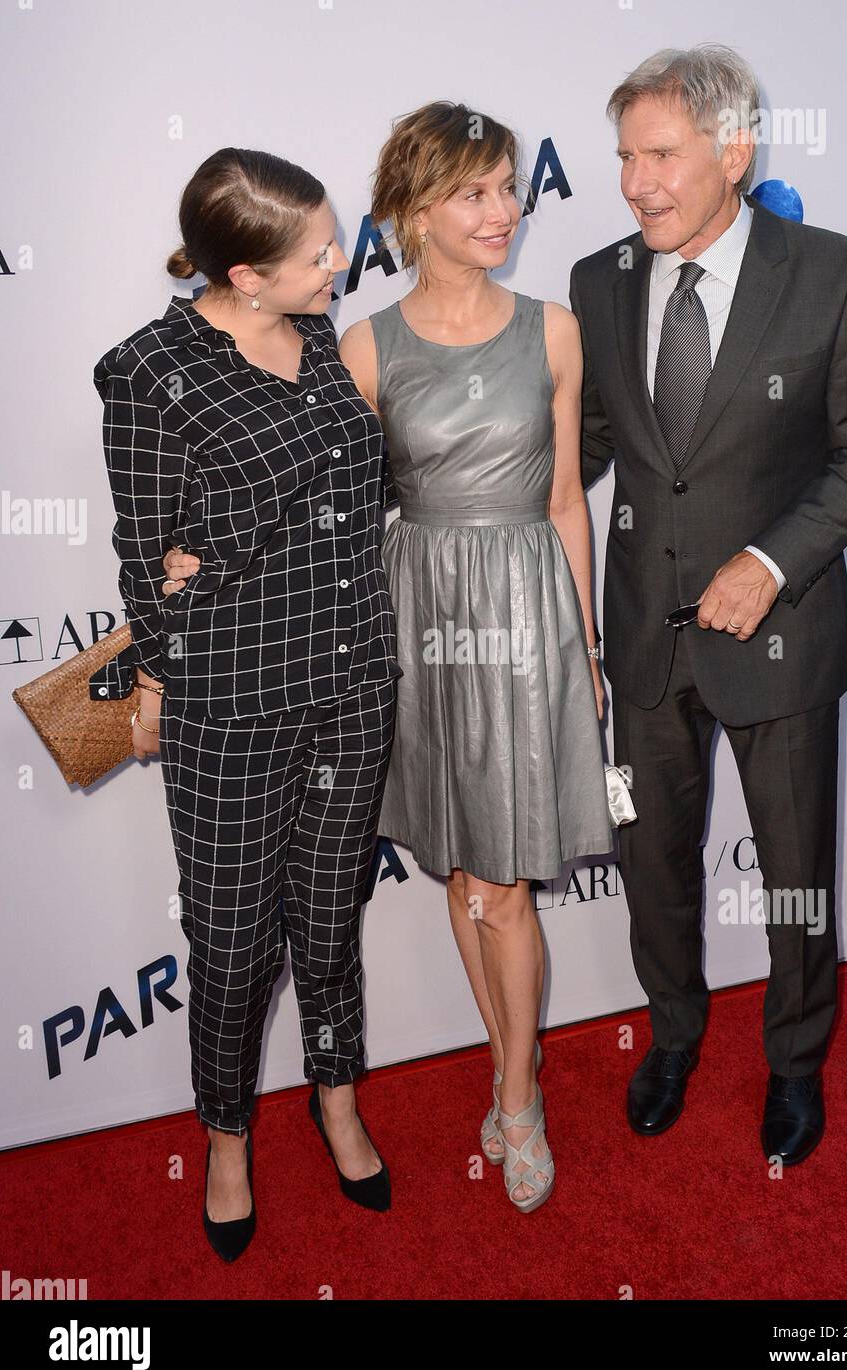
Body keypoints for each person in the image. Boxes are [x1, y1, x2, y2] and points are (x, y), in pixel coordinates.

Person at [167, 104, 615, 1213]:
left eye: (510, 184)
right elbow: (323, 508)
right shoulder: (358, 346)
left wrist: (585, 645)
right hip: (406, 624)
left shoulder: (554, 328)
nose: (504, 209)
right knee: (464, 881)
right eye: (475, 191)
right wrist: (186, 573)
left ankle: (518, 1095)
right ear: (416, 213)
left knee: (506, 889)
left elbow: (565, 500)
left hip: (521, 620)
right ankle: (495, 1071)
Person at [569, 44, 847, 1166]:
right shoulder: (599, 280)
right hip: (643, 642)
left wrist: (769, 562)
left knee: (797, 873)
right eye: (624, 155)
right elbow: (600, 446)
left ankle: (796, 1059)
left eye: (660, 154)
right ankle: (673, 1035)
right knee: (652, 863)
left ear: (734, 149)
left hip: (782, 635)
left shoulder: (836, 274)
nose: (634, 181)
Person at [95, 147, 399, 1261]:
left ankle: (335, 1094)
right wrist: (164, 661)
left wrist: (208, 548)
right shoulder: (145, 370)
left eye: (335, 237)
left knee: (328, 926)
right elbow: (146, 562)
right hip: (230, 704)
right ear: (246, 271)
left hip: (353, 682)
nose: (341, 260)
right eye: (318, 251)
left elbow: (359, 494)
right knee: (229, 945)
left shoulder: (326, 341)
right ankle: (226, 1135)